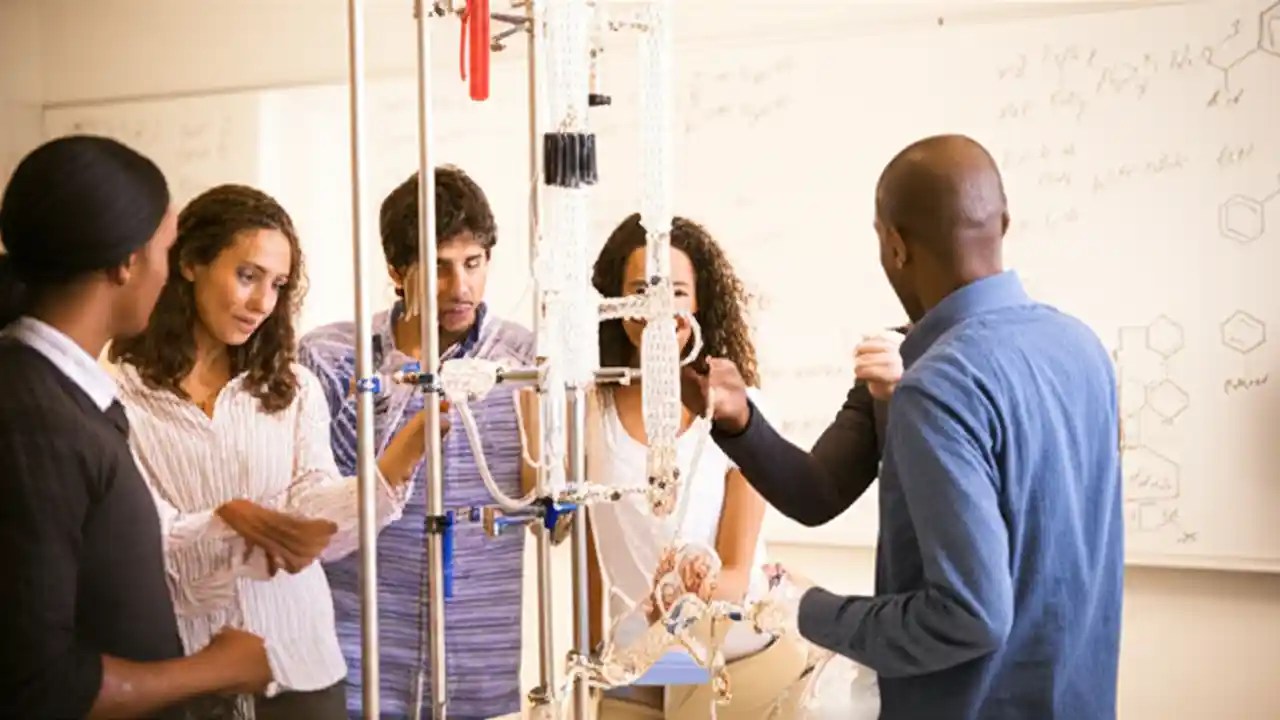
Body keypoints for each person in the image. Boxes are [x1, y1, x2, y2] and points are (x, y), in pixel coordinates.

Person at [684, 133, 1124, 719]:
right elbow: (819, 492)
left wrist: (806, 608)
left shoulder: (936, 383)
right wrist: (739, 420)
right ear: (1005, 223)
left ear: (894, 246)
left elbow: (969, 613)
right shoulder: (1083, 349)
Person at [108, 183, 434, 719]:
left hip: (299, 670)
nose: (263, 302)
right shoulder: (122, 392)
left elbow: (313, 513)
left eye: (278, 284)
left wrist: (397, 463)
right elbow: (142, 538)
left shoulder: (293, 388)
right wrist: (228, 519)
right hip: (187, 674)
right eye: (247, 275)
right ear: (190, 263)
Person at [0, 135, 274, 719]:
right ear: (125, 262)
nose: (169, 272)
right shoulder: (34, 424)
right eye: (166, 250)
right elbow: (39, 686)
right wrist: (216, 668)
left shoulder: (69, 404)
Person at [299, 165, 535, 720]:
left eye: (473, 264)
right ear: (396, 271)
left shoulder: (522, 361)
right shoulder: (332, 358)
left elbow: (546, 507)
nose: (462, 288)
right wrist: (405, 385)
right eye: (439, 268)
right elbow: (313, 500)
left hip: (477, 667)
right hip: (358, 660)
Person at [583, 214, 819, 720]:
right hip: (645, 651)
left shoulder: (735, 409)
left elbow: (736, 570)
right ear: (613, 299)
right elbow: (590, 547)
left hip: (735, 643)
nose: (657, 308)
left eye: (676, 293)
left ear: (699, 302)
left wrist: (692, 585)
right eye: (640, 290)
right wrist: (590, 656)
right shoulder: (586, 410)